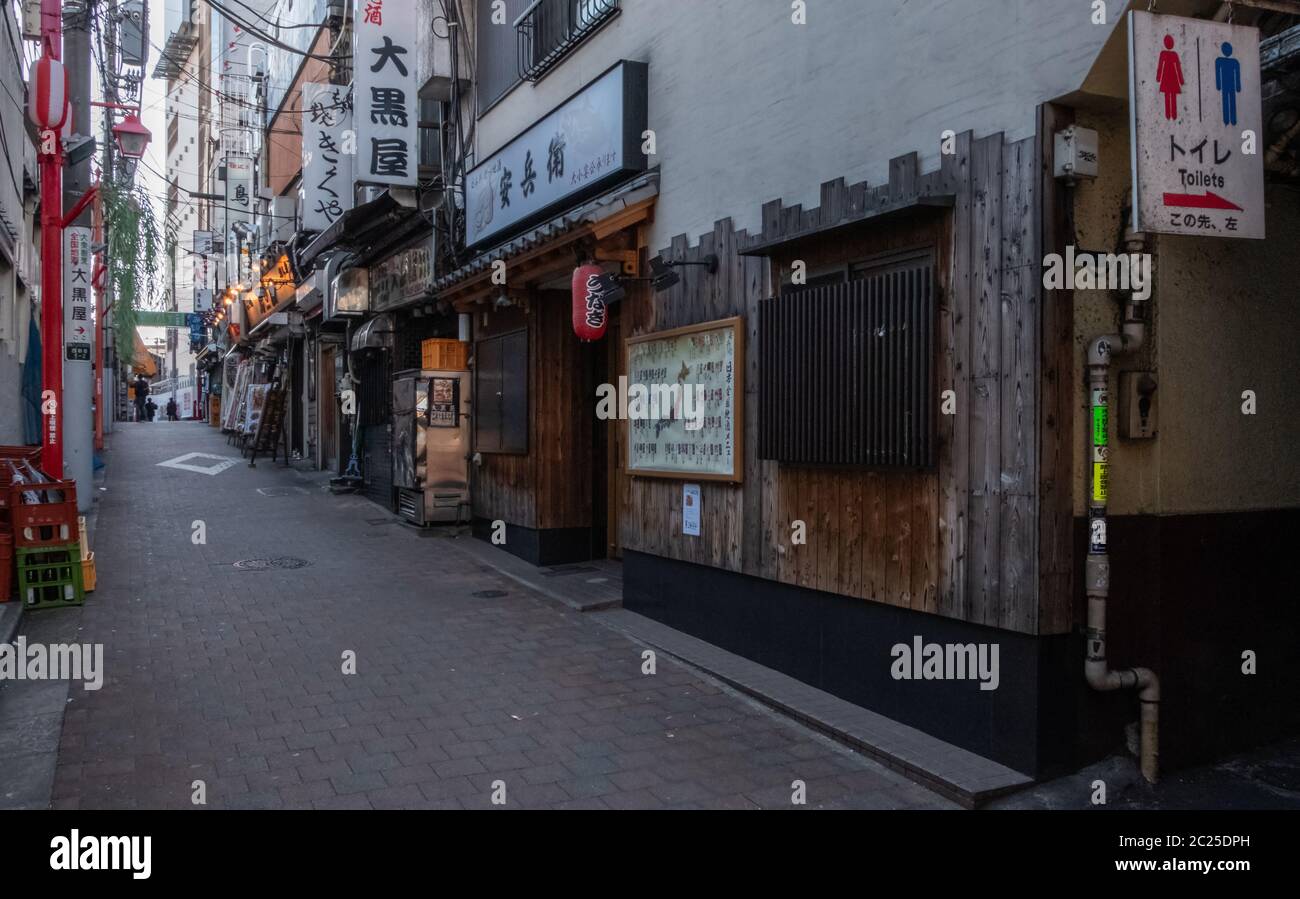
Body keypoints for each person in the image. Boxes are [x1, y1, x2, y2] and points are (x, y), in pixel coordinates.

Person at [1157, 34, 1184, 121]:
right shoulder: (1169, 54)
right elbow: (1161, 66)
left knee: (1169, 96)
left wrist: (1158, 78)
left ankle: (1171, 115)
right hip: (1170, 76)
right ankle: (1171, 115)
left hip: (1169, 77)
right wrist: (1181, 80)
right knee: (1170, 96)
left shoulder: (1168, 54)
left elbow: (1177, 67)